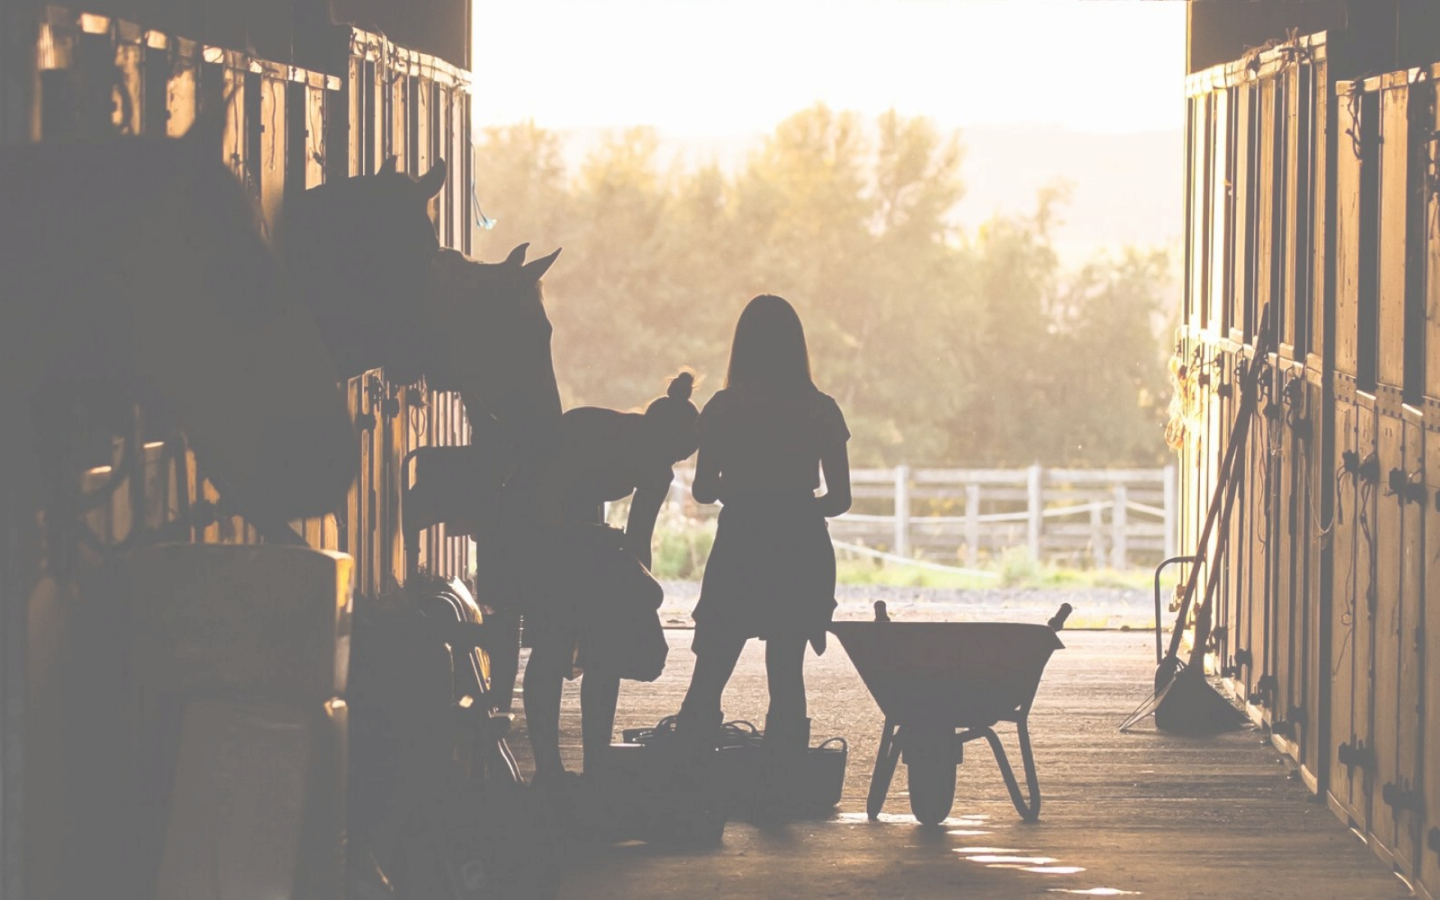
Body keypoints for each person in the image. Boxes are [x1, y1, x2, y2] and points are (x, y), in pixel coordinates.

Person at [674, 295, 851, 810]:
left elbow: (705, 491)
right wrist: (793, 500)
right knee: (786, 671)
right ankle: (782, 790)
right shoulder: (821, 410)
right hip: (799, 543)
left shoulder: (724, 409)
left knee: (711, 669)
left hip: (742, 542)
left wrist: (746, 491)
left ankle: (685, 785)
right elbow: (839, 500)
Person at [523, 371, 700, 781]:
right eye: (670, 455)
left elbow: (639, 542)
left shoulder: (650, 461)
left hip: (575, 531)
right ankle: (555, 767)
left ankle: (589, 767)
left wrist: (636, 601)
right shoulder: (591, 431)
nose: (669, 466)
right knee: (552, 648)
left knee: (601, 651)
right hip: (537, 524)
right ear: (653, 435)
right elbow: (545, 506)